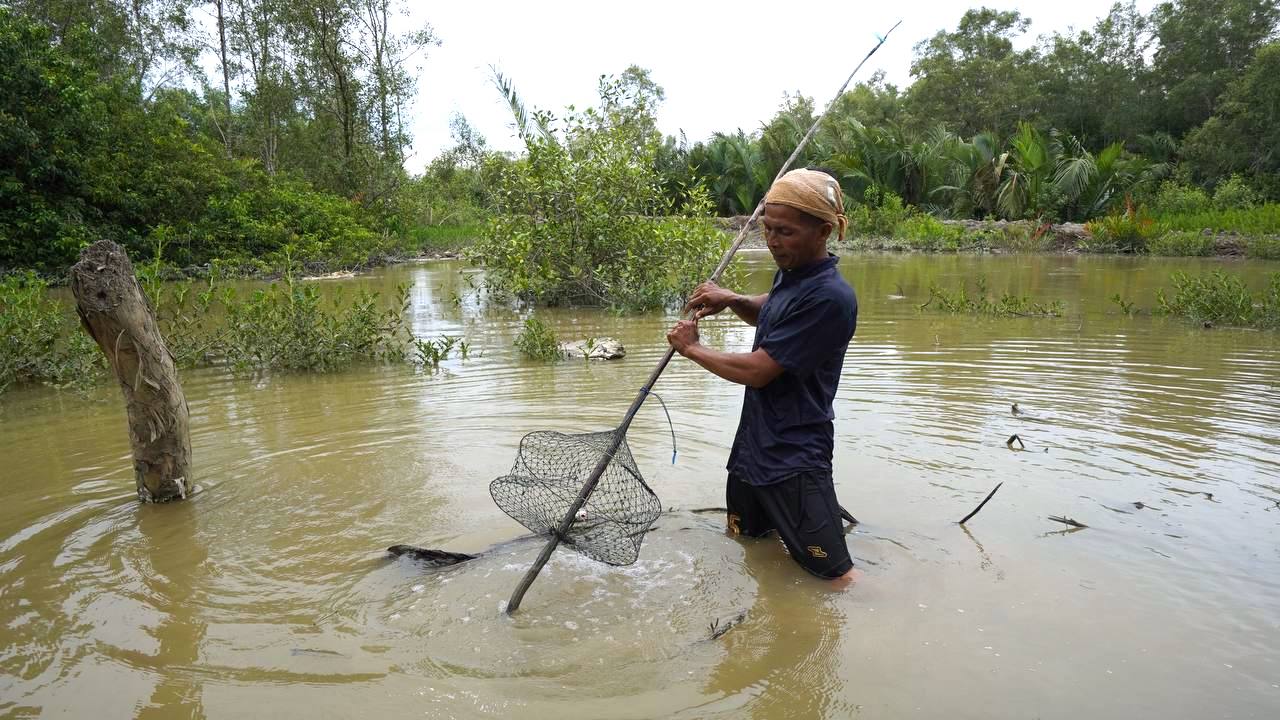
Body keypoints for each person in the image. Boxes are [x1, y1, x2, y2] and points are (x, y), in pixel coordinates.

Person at [666, 168, 861, 586]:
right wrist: (732, 299)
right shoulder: (792, 274)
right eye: (767, 229)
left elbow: (758, 373)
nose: (772, 242)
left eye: (785, 232)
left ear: (824, 231)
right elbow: (773, 307)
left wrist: (693, 348)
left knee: (835, 578)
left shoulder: (830, 297)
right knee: (748, 544)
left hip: (793, 458)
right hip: (753, 449)